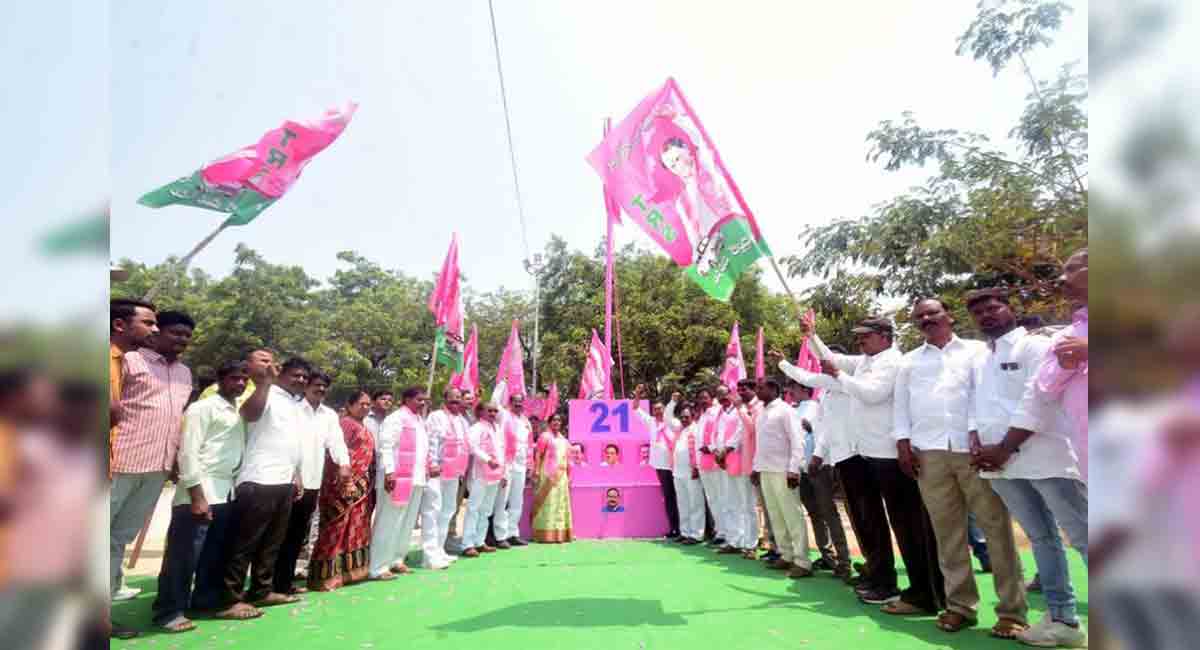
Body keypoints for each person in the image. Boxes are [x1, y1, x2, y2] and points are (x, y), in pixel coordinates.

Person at [787, 315, 945, 614]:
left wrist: (840, 375)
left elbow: (872, 394)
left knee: (909, 526)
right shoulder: (865, 361)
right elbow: (833, 359)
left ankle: (925, 592)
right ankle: (890, 583)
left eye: (866, 336)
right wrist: (811, 336)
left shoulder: (890, 361)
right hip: (871, 455)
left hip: (893, 455)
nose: (860, 341)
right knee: (884, 523)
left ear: (885, 336)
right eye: (858, 337)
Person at [894, 298, 1027, 637]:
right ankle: (960, 606)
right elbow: (901, 406)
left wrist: (979, 435)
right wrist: (903, 443)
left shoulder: (977, 352)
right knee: (947, 534)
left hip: (974, 451)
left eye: (932, 313)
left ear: (948, 316)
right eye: (919, 316)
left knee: (996, 529)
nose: (926, 319)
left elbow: (984, 395)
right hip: (929, 453)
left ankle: (1011, 612)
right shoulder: (909, 362)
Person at [965, 288, 1088, 647]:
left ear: (1010, 309)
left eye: (993, 307)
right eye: (978, 312)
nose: (986, 316)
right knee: (1041, 539)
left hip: (1045, 458)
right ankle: (1063, 618)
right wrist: (976, 440)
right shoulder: (980, 358)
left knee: (1085, 538)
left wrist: (1005, 447)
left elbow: (1041, 399)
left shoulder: (1036, 346)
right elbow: (975, 404)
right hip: (999, 465)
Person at [151, 359, 247, 632]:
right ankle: (168, 611)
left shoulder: (236, 411)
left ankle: (204, 602)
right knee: (183, 557)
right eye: (233, 378)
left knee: (214, 555)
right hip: (199, 491)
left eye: (243, 380)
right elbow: (188, 452)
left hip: (225, 491)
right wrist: (196, 495)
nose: (239, 384)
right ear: (220, 379)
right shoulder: (202, 408)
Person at [110, 310, 194, 610]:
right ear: (157, 332)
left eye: (186, 336)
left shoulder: (185, 373)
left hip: (158, 468)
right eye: (175, 333)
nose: (182, 340)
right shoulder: (130, 361)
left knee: (119, 536)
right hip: (120, 460)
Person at [217, 355, 307, 621]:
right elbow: (248, 414)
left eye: (304, 376)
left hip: (284, 479)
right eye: (295, 375)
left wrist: (296, 474)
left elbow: (290, 443)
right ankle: (230, 599)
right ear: (280, 374)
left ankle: (261, 590)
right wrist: (264, 385)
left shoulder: (294, 403)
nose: (300, 380)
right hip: (258, 479)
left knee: (271, 543)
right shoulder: (265, 393)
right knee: (245, 544)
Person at [106, 298, 158, 638]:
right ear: (119, 325)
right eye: (148, 322)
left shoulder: (120, 360)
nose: (154, 329)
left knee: (112, 540)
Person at [275, 372, 351, 595]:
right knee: (278, 534)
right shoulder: (293, 409)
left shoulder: (328, 415)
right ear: (306, 387)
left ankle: (284, 582)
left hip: (312, 481)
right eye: (317, 385)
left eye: (325, 386)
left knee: (297, 534)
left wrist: (343, 463)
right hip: (287, 479)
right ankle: (265, 584)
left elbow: (336, 441)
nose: (321, 389)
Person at [1025, 248, 1088, 482]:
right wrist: (1065, 365)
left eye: (1071, 270)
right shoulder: (1065, 335)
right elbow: (1044, 388)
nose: (1062, 279)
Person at [308, 390, 377, 591]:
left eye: (368, 404)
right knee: (336, 529)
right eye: (361, 404)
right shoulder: (345, 424)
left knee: (355, 528)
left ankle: (349, 572)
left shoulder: (363, 425)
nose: (365, 407)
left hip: (361, 488)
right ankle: (325, 576)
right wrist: (346, 482)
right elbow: (336, 455)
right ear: (350, 404)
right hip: (343, 486)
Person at [749, 379, 812, 579]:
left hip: (784, 470)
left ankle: (802, 561)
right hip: (766, 470)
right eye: (757, 388)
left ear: (774, 389)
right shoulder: (761, 412)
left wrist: (794, 469)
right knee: (776, 515)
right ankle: (786, 554)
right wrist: (756, 468)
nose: (757, 391)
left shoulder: (785, 410)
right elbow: (762, 444)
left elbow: (797, 440)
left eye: (761, 388)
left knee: (792, 515)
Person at [789, 383, 851, 580]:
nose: (792, 392)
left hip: (820, 466)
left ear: (806, 390)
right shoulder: (793, 409)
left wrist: (810, 427)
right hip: (803, 468)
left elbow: (824, 432)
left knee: (828, 512)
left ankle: (844, 560)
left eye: (795, 389)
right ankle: (826, 554)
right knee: (814, 513)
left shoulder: (816, 406)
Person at [368, 387, 430, 579]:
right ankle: (377, 567)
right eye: (419, 400)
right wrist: (389, 472)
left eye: (424, 400)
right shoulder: (396, 418)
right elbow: (386, 446)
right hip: (397, 478)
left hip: (416, 478)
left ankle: (396, 559)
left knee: (407, 522)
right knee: (389, 521)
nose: (423, 403)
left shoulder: (419, 420)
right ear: (406, 399)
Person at [421, 388, 470, 570]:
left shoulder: (462, 421)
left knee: (448, 510)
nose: (456, 402)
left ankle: (439, 550)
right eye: (453, 399)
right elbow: (432, 441)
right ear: (445, 400)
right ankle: (429, 556)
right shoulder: (436, 417)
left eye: (459, 399)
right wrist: (432, 463)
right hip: (437, 471)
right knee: (433, 510)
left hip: (454, 472)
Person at [633, 385, 680, 539]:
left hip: (676, 465)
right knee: (668, 497)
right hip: (660, 466)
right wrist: (638, 394)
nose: (657, 411)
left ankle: (684, 528)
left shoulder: (673, 422)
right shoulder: (650, 422)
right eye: (655, 409)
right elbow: (635, 409)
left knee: (679, 496)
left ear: (665, 410)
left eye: (660, 409)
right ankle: (674, 528)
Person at [715, 385, 755, 557]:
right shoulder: (722, 413)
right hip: (726, 463)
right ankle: (734, 541)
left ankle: (750, 544)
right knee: (730, 503)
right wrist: (719, 453)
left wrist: (725, 450)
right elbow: (719, 436)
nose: (723, 398)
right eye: (720, 396)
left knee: (747, 504)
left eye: (726, 394)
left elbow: (740, 433)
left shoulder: (742, 410)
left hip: (740, 460)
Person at [461, 402, 505, 557]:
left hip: (495, 475)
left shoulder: (497, 428)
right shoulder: (476, 428)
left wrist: (503, 473)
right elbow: (473, 447)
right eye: (490, 411)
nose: (493, 414)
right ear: (480, 412)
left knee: (486, 510)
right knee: (473, 508)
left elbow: (501, 451)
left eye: (495, 411)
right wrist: (487, 460)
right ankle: (467, 544)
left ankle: (480, 542)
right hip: (480, 474)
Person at [491, 381, 531, 548]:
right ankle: (500, 536)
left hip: (521, 465)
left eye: (521, 401)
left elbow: (529, 444)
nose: (518, 403)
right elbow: (494, 402)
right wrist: (502, 383)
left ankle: (513, 533)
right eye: (515, 401)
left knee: (517, 501)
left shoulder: (525, 421)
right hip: (507, 464)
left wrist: (530, 465)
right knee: (503, 500)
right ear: (510, 402)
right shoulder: (504, 415)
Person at [666, 398, 705, 544]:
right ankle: (685, 531)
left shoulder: (696, 429)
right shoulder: (680, 430)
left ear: (693, 416)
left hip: (691, 472)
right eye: (682, 417)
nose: (684, 419)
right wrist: (673, 402)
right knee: (683, 503)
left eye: (687, 417)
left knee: (695, 503)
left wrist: (696, 467)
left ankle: (696, 534)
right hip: (678, 472)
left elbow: (698, 450)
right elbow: (667, 418)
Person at [530, 414, 574, 543]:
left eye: (559, 420)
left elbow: (568, 460)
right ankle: (545, 534)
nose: (557, 422)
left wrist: (569, 476)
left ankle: (560, 534)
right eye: (554, 420)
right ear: (549, 422)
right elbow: (538, 454)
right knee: (547, 503)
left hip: (561, 477)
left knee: (560, 503)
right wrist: (537, 471)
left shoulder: (564, 440)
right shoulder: (544, 437)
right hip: (547, 474)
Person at [693, 388, 725, 546]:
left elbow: (719, 435)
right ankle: (719, 531)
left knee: (720, 497)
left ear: (712, 399)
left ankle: (725, 532)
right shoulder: (702, 415)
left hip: (715, 461)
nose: (703, 400)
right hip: (703, 463)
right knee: (712, 499)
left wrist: (711, 448)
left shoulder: (717, 412)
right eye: (701, 398)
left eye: (705, 398)